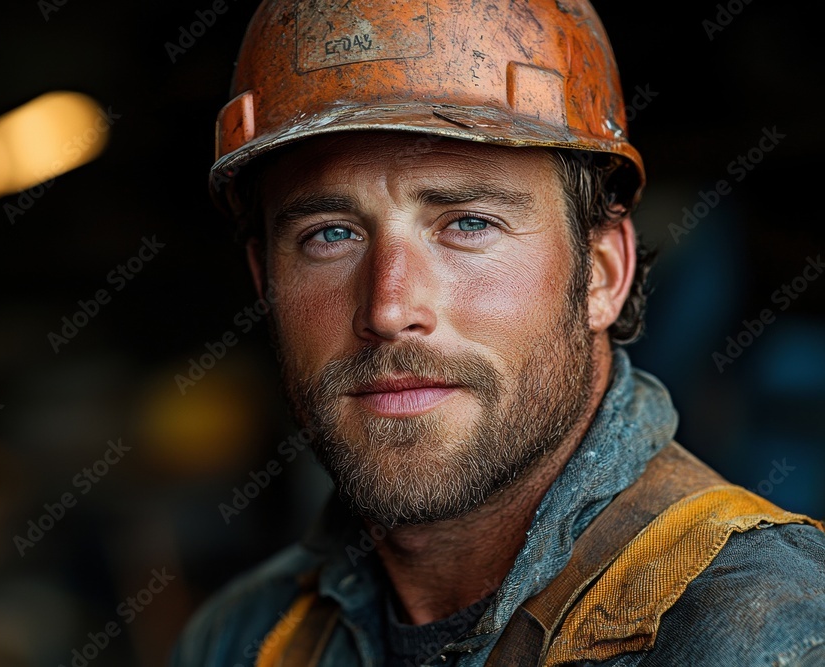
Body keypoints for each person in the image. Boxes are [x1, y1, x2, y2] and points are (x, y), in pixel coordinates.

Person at [171, 1, 825, 665]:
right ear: (265, 280)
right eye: (330, 234)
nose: (390, 309)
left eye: (469, 223)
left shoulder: (766, 634)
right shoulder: (243, 637)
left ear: (602, 273)